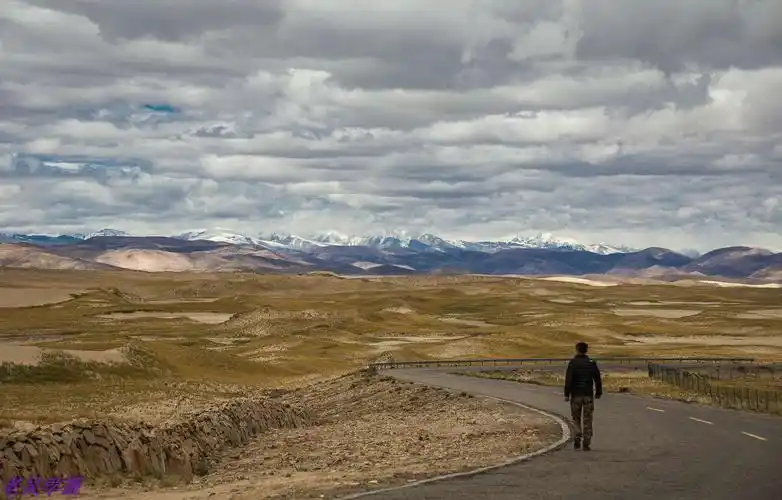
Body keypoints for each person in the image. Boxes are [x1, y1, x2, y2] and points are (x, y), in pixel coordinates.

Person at [564, 341, 602, 451]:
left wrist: (567, 394)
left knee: (576, 417)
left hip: (576, 395)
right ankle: (586, 442)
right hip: (588, 395)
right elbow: (597, 379)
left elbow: (569, 380)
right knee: (588, 419)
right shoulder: (591, 363)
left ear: (577, 349)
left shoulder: (573, 363)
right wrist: (598, 392)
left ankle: (577, 433)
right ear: (586, 350)